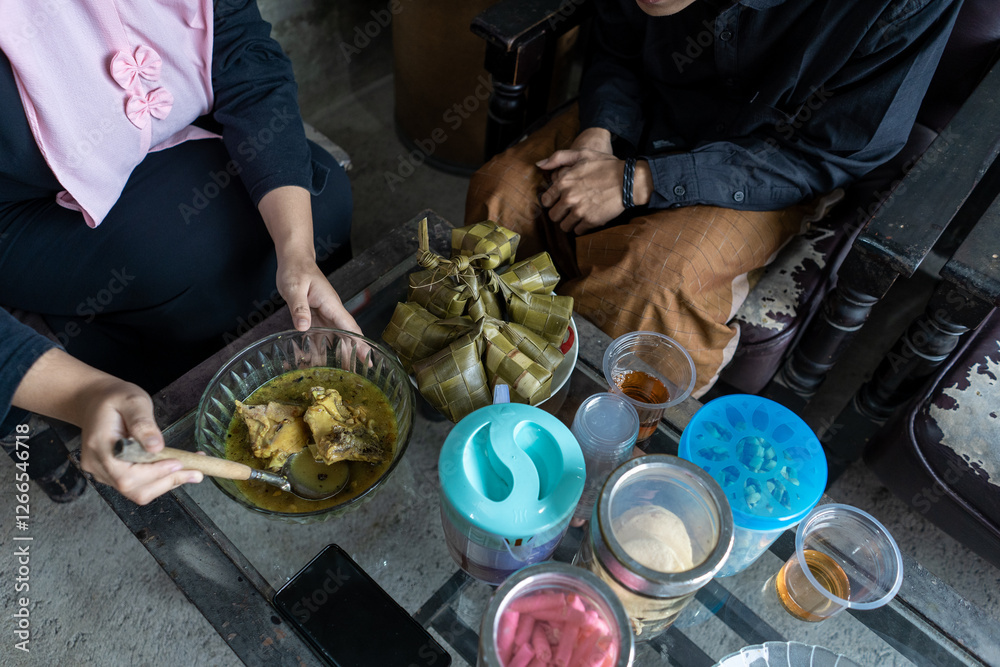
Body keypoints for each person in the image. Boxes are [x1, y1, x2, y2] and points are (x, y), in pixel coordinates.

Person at [466, 0, 962, 396]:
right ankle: (490, 386)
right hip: (650, 103)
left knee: (655, 282)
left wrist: (642, 180)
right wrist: (602, 129)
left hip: (772, 160)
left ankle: (588, 453)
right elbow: (617, 47)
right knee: (504, 195)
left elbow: (828, 151)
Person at [0, 0, 359, 505]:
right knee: (193, 263)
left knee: (320, 205)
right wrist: (80, 394)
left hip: (153, 131)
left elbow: (239, 50)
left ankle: (147, 339)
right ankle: (81, 350)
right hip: (20, 205)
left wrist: (296, 251)